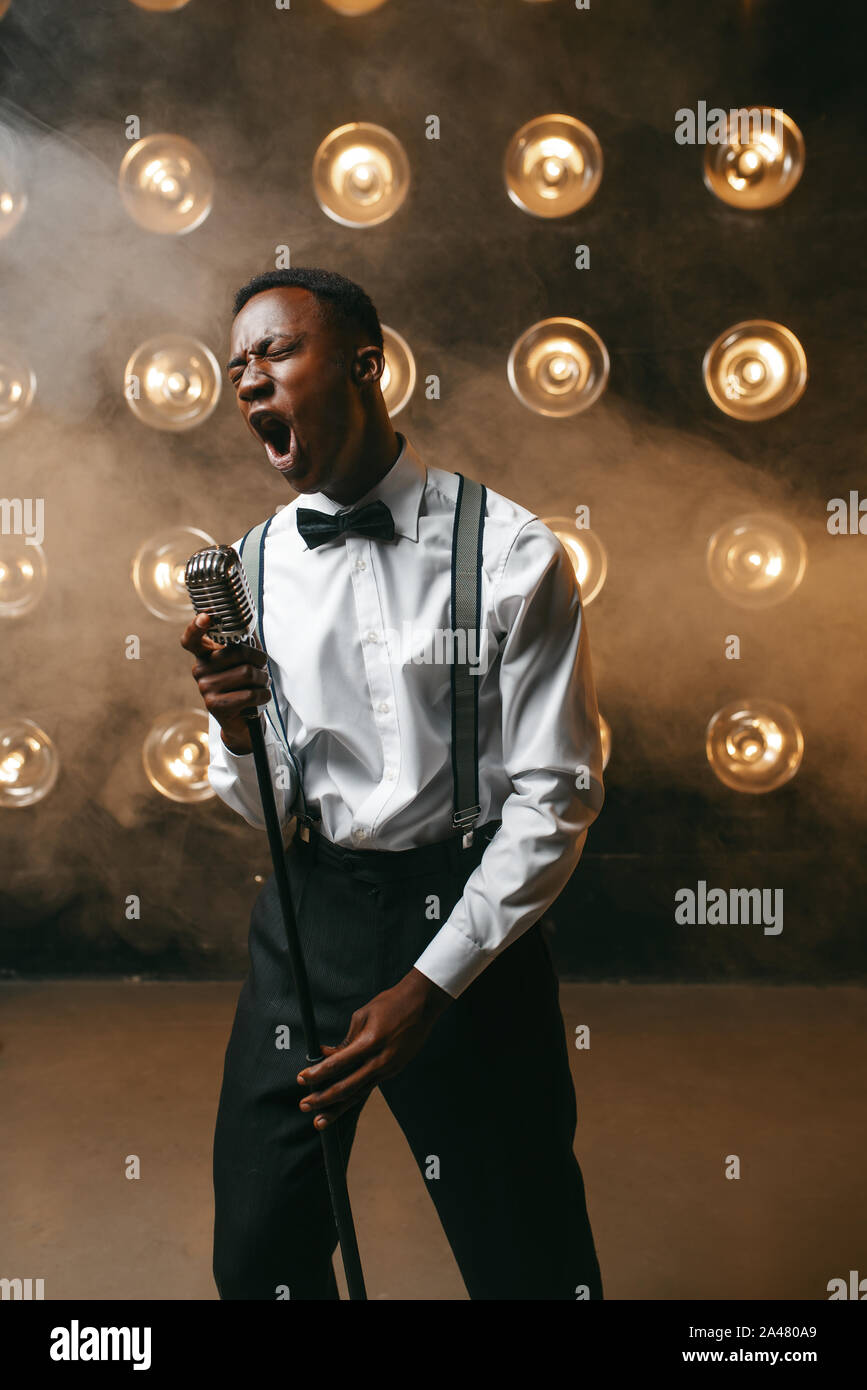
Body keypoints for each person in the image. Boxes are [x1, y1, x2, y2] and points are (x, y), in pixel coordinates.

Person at [180, 266, 606, 1301]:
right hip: (307, 917)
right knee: (261, 1252)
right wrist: (234, 733)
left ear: (368, 366)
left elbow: (557, 795)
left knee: (528, 1256)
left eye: (277, 351)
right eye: (238, 364)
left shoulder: (509, 552)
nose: (249, 380)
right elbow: (265, 814)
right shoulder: (252, 567)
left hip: (467, 918)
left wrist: (432, 983)